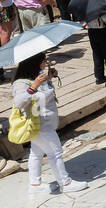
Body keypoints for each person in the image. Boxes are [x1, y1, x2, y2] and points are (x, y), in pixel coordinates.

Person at [12, 53, 85, 194]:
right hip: (39, 124)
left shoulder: (37, 77)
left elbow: (42, 95)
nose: (46, 63)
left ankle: (35, 184)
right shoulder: (21, 83)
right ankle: (65, 183)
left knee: (36, 153)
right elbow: (19, 102)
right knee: (55, 152)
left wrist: (49, 78)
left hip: (46, 122)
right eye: (44, 61)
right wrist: (34, 86)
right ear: (34, 63)